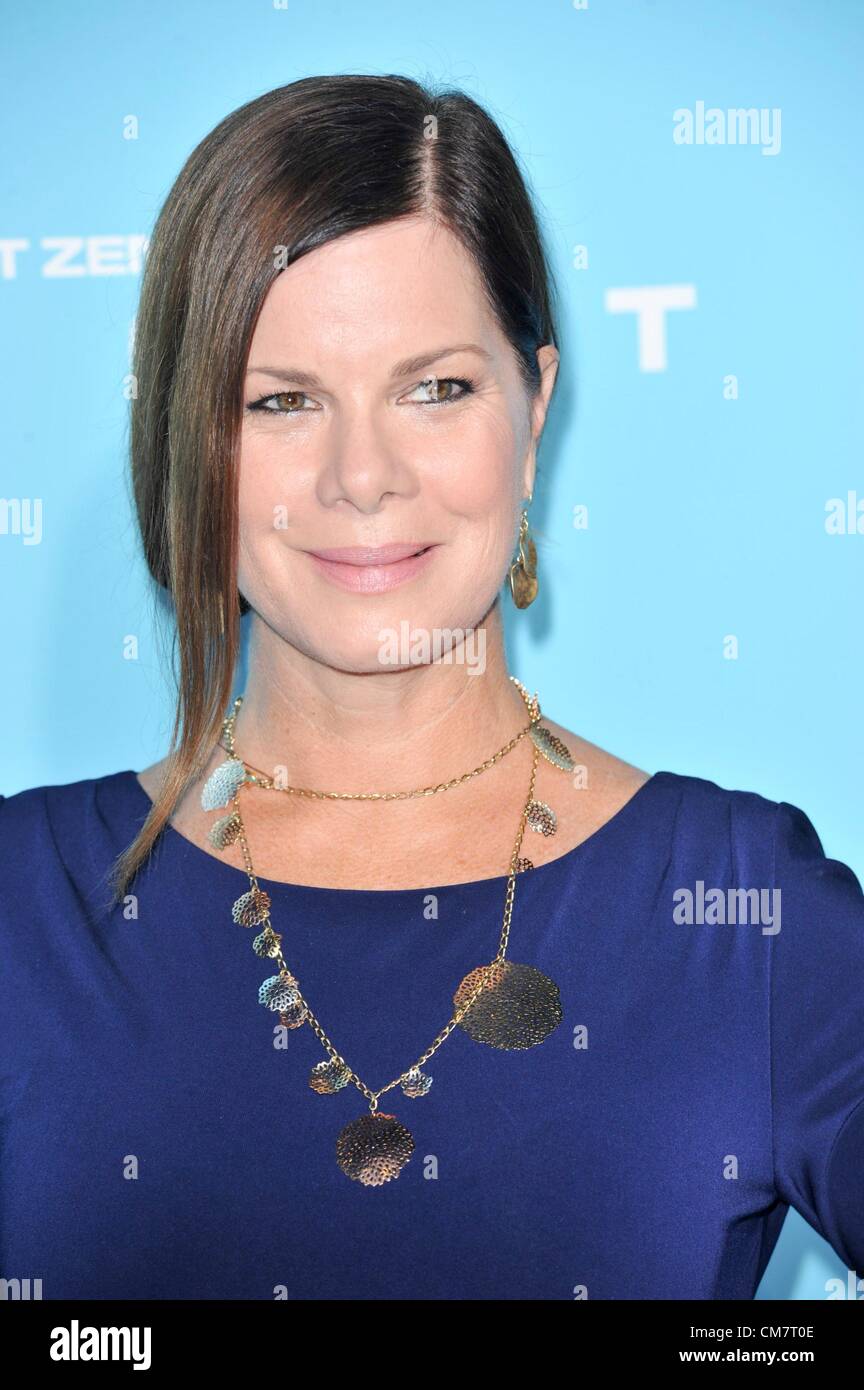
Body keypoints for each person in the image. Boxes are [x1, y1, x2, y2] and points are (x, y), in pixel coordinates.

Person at [1, 74, 862, 1302]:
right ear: (197, 442)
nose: (364, 474)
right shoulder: (22, 910)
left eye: (436, 387)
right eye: (282, 401)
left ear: (536, 404)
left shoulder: (742, 915)